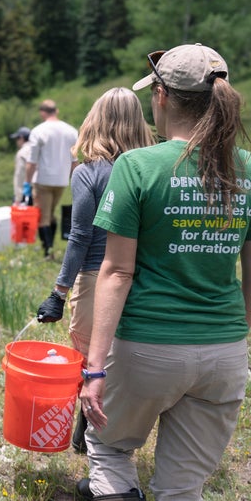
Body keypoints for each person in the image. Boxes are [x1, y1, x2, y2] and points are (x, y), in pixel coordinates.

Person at [73, 44, 251, 501]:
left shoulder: (139, 167)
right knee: (183, 493)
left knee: (109, 451)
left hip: (146, 347)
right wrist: (227, 337)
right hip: (223, 353)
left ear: (160, 96)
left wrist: (95, 366)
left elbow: (115, 271)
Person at [35, 88, 153, 457]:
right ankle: (101, 436)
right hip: (142, 278)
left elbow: (81, 235)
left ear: (95, 121)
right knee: (121, 357)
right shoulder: (151, 168)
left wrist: (58, 292)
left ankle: (89, 438)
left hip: (94, 277)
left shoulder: (89, 172)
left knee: (89, 358)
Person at [25, 99, 79, 259]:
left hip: (43, 180)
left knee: (43, 217)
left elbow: (31, 162)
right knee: (51, 214)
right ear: (56, 111)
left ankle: (47, 252)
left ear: (42, 112)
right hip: (61, 181)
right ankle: (50, 248)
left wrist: (27, 184)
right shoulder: (71, 131)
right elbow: (74, 160)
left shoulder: (38, 131)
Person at [9, 126, 33, 206]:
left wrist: (18, 199)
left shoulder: (22, 153)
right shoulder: (37, 149)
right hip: (40, 191)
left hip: (26, 194)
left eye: (17, 139)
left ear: (21, 138)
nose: (16, 142)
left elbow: (19, 176)